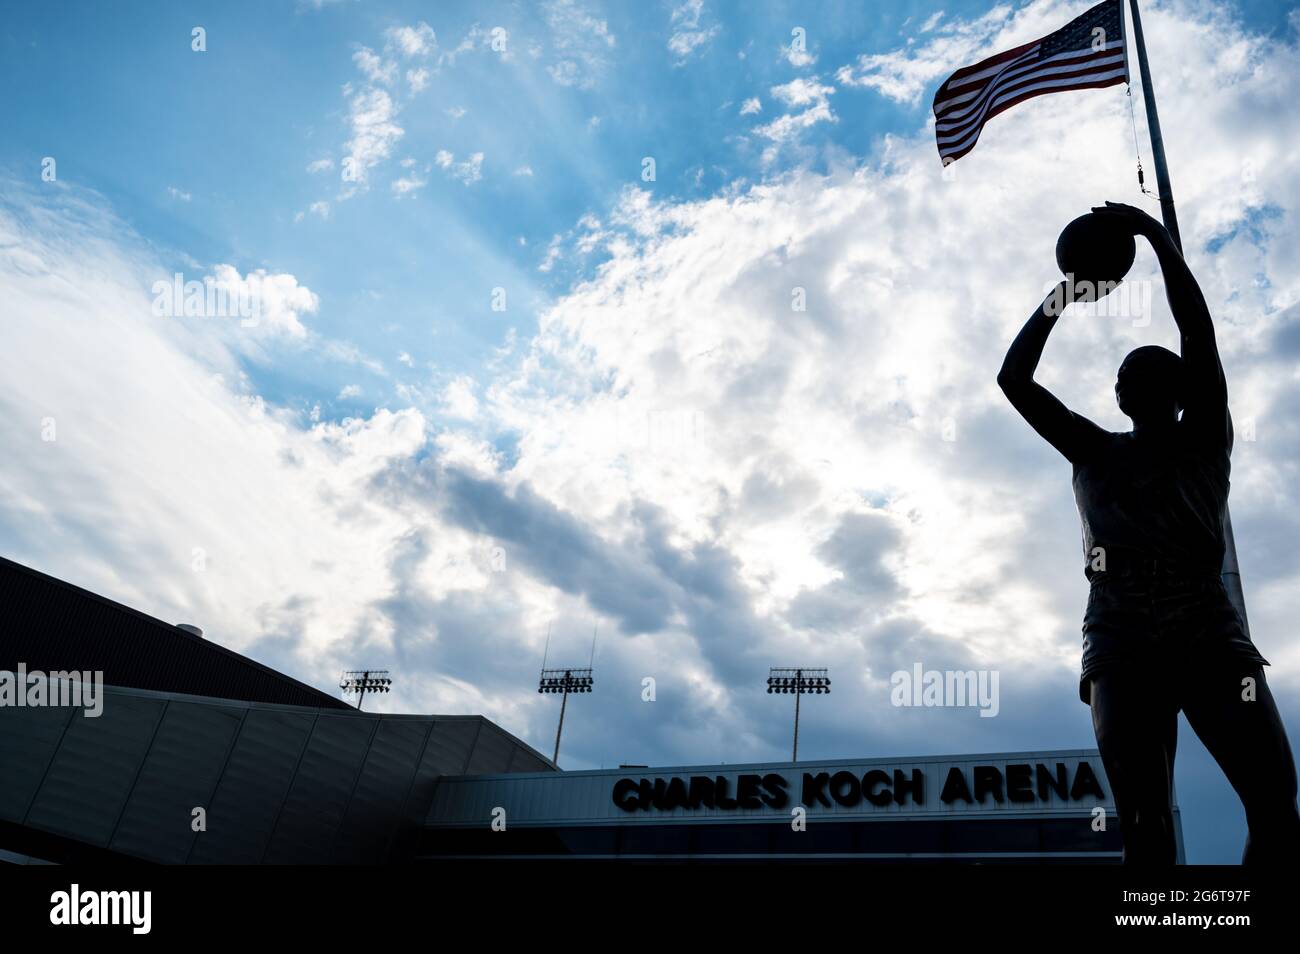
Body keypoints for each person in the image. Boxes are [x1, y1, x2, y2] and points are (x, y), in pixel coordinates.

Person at [997, 200, 1300, 864]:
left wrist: (1160, 242)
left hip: (1205, 624)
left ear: (1181, 389)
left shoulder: (1202, 441)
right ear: (1118, 397)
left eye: (1145, 370)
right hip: (1121, 631)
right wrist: (1065, 292)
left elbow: (1199, 333)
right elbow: (1014, 380)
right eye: (1123, 374)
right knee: (1145, 826)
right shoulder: (1093, 450)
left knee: (1278, 805)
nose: (1127, 377)